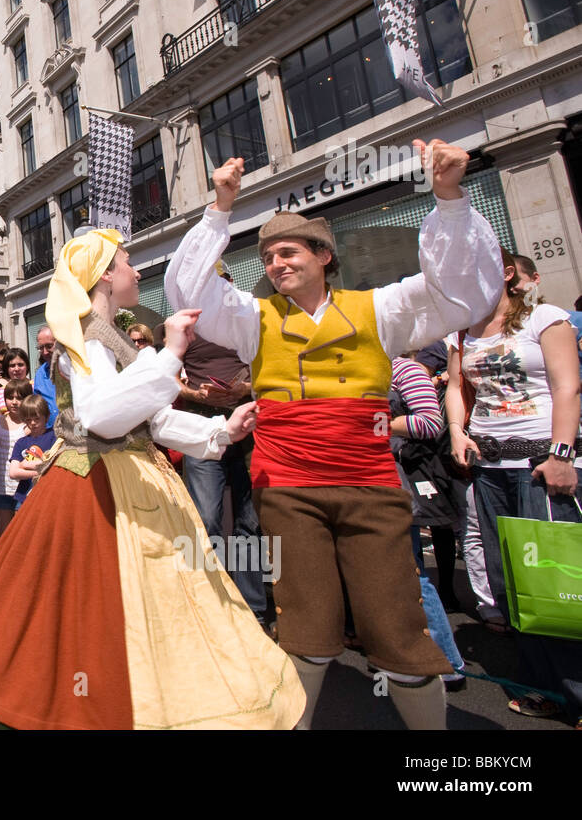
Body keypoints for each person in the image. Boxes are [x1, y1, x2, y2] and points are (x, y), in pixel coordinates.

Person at [164, 141, 502, 729]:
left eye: (288, 252)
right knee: (306, 626)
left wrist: (447, 199)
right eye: (268, 257)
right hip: (286, 486)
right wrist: (220, 207)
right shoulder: (253, 317)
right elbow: (188, 293)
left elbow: (464, 293)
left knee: (397, 628)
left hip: (369, 485)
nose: (275, 264)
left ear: (324, 255)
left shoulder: (383, 307)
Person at [0, 228, 302, 729]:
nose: (138, 271)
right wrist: (170, 354)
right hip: (97, 482)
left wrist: (218, 430)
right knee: (94, 603)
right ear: (105, 274)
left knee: (142, 603)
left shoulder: (110, 337)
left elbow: (146, 418)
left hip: (128, 473)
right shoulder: (85, 337)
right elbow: (103, 416)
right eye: (127, 263)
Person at [446, 248, 582, 726]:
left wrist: (562, 455)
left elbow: (568, 387)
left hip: (543, 463)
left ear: (505, 274)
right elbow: (457, 388)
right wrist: (459, 431)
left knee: (558, 577)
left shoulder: (546, 318)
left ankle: (577, 693)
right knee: (513, 582)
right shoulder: (461, 332)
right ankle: (543, 686)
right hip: (491, 467)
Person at [176, 266, 265, 618]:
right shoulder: (184, 325)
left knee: (251, 522)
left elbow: (271, 368)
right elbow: (168, 376)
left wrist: (245, 389)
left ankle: (254, 608)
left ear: (229, 284)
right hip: (202, 426)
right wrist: (192, 391)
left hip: (250, 428)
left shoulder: (250, 319)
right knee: (204, 519)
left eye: (219, 284)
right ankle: (206, 605)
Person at [388, 354, 466, 691]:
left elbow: (429, 423)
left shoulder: (402, 368)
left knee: (411, 572)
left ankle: (447, 665)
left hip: (388, 480)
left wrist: (373, 421)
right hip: (344, 480)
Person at [0, 378, 32, 535]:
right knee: (3, 533)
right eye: (10, 397)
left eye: (19, 398)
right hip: (0, 485)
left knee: (22, 533)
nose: (14, 402)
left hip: (23, 487)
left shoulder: (29, 425)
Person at [6, 394, 56, 508]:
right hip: (24, 497)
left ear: (46, 417)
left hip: (48, 496)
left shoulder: (54, 437)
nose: (33, 423)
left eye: (37, 418)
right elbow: (13, 472)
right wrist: (40, 473)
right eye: (28, 420)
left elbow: (53, 463)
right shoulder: (21, 442)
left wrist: (25, 464)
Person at [30, 325, 59, 429]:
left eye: (49, 346)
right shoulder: (40, 374)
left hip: (74, 432)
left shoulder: (73, 369)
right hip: (49, 433)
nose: (45, 352)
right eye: (41, 348)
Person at [0, 348, 30, 413]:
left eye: (20, 365)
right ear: (6, 368)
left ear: (27, 366)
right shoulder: (0, 392)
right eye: (12, 366)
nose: (17, 369)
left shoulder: (36, 388)